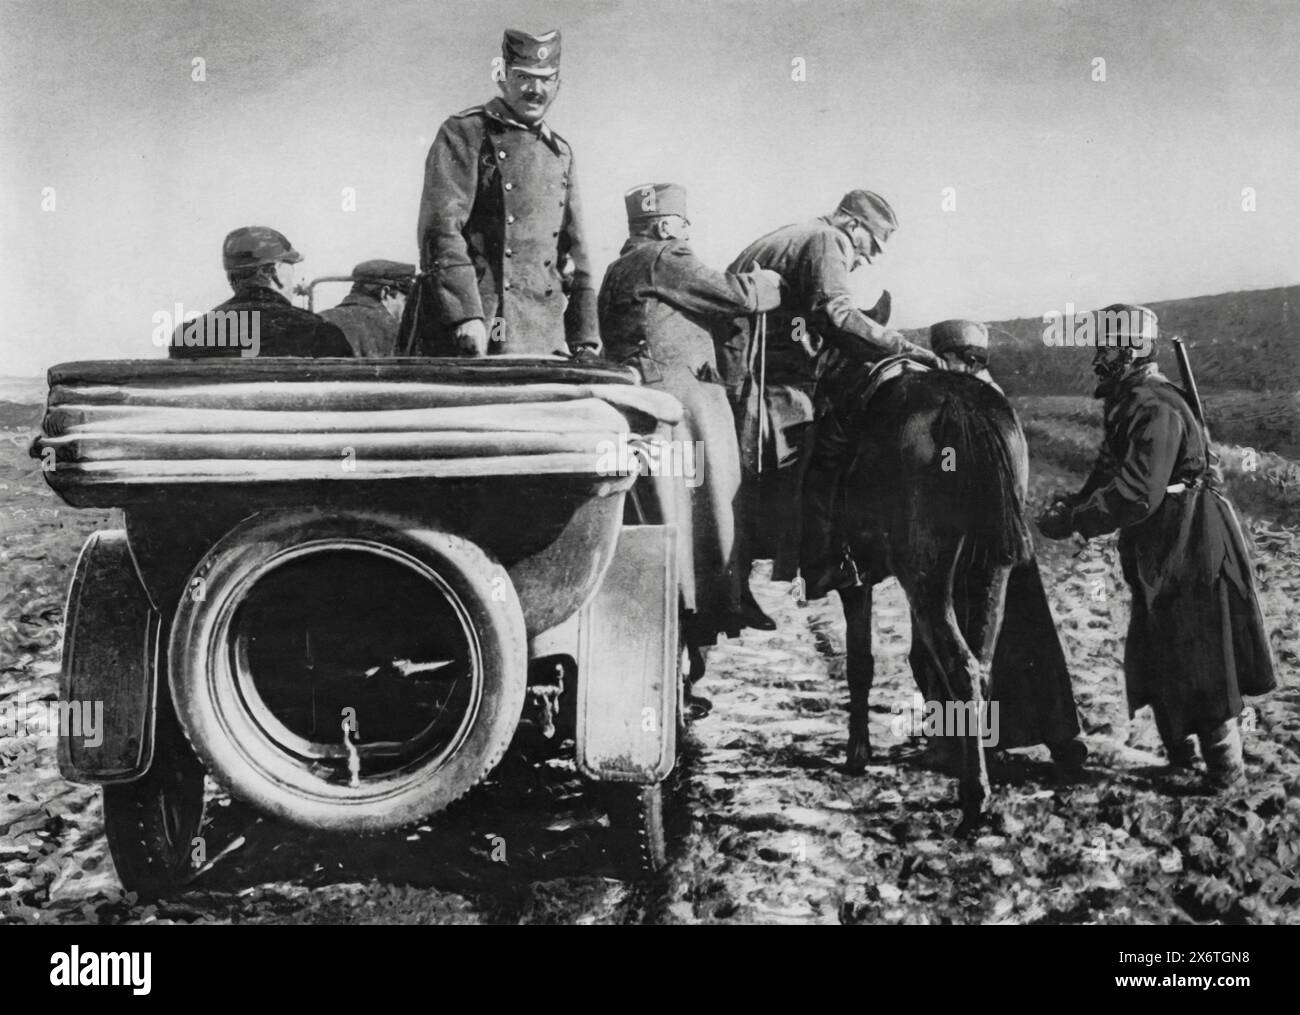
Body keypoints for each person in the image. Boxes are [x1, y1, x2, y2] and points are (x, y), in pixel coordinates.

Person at [1036, 304, 1276, 789]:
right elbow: (1109, 474)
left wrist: (1077, 521)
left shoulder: (1153, 406)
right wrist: (1074, 505)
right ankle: (1181, 756)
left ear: (1131, 349)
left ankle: (1226, 772)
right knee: (1160, 646)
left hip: (1189, 538)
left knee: (1198, 651)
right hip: (1161, 540)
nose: (1097, 358)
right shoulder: (1129, 402)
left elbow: (1136, 493)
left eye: (1106, 348)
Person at [717, 191, 941, 608]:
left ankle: (742, 587)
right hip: (768, 377)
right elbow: (838, 313)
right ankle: (820, 563)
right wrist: (902, 347)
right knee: (813, 459)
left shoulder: (798, 233)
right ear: (852, 225)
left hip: (751, 366)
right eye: (870, 245)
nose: (867, 258)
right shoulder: (828, 240)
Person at [598, 183, 784, 636]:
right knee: (709, 504)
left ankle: (692, 611)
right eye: (684, 226)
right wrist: (769, 283)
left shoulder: (617, 268)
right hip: (683, 409)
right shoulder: (665, 257)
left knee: (669, 509)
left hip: (643, 399)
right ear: (664, 226)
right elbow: (736, 294)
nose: (688, 235)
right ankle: (710, 608)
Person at [916, 319, 1087, 773]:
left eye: (945, 360)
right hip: (1006, 545)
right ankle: (1057, 737)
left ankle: (962, 745)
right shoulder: (997, 403)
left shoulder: (958, 403)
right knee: (1026, 643)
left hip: (964, 546)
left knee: (949, 641)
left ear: (958, 359)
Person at [409, 28, 598, 357]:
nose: (535, 90)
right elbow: (441, 227)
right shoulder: (466, 131)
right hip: (483, 322)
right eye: (524, 77)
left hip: (542, 329)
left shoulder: (560, 152)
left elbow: (574, 252)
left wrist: (585, 335)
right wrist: (465, 315)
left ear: (558, 85)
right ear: (502, 77)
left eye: (546, 79)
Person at [169, 226, 351, 359]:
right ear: (272, 271)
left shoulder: (189, 334)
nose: (294, 278)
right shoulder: (318, 331)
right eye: (290, 266)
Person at [321, 260, 415, 357]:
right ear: (385, 293)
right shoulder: (397, 332)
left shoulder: (321, 318)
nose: (405, 309)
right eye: (405, 301)